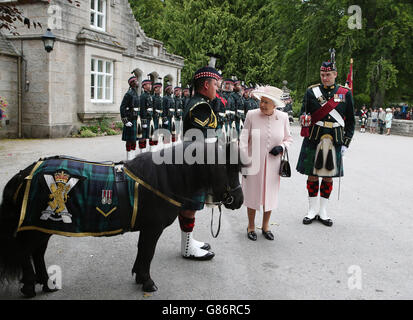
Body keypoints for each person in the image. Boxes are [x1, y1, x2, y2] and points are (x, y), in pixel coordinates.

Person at [296, 58, 355, 227]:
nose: (325, 78)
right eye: (323, 74)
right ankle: (312, 209)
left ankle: (323, 211)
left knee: (328, 176)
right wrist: (304, 118)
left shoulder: (345, 93)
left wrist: (346, 143)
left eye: (328, 74)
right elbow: (303, 113)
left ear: (335, 74)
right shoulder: (311, 91)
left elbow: (350, 121)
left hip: (334, 139)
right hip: (314, 137)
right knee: (312, 174)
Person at [179, 65, 221, 260]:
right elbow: (204, 139)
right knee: (190, 207)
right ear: (206, 84)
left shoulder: (200, 102)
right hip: (195, 161)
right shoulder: (200, 106)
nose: (217, 88)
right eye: (215, 84)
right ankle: (187, 248)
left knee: (191, 206)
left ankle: (188, 241)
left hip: (193, 159)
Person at [240, 86, 293, 241]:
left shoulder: (282, 117)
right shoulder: (251, 115)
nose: (262, 105)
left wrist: (282, 147)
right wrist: (243, 159)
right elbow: (243, 140)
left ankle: (265, 226)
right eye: (261, 101)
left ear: (274, 105)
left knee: (269, 196)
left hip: (273, 164)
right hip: (253, 163)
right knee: (252, 194)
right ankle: (251, 226)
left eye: (266, 102)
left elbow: (288, 138)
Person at [120, 76, 140, 160]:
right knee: (129, 139)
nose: (137, 82)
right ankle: (129, 158)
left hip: (135, 118)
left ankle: (133, 158)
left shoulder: (136, 93)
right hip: (130, 119)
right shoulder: (128, 94)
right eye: (136, 81)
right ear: (132, 83)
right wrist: (125, 121)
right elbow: (122, 107)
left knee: (134, 139)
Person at [139, 77, 154, 152]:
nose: (150, 86)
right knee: (143, 137)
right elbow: (142, 109)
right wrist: (144, 121)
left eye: (151, 84)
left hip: (149, 118)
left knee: (150, 136)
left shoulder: (149, 95)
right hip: (145, 119)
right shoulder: (143, 96)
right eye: (149, 84)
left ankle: (149, 154)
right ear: (144, 86)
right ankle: (142, 155)